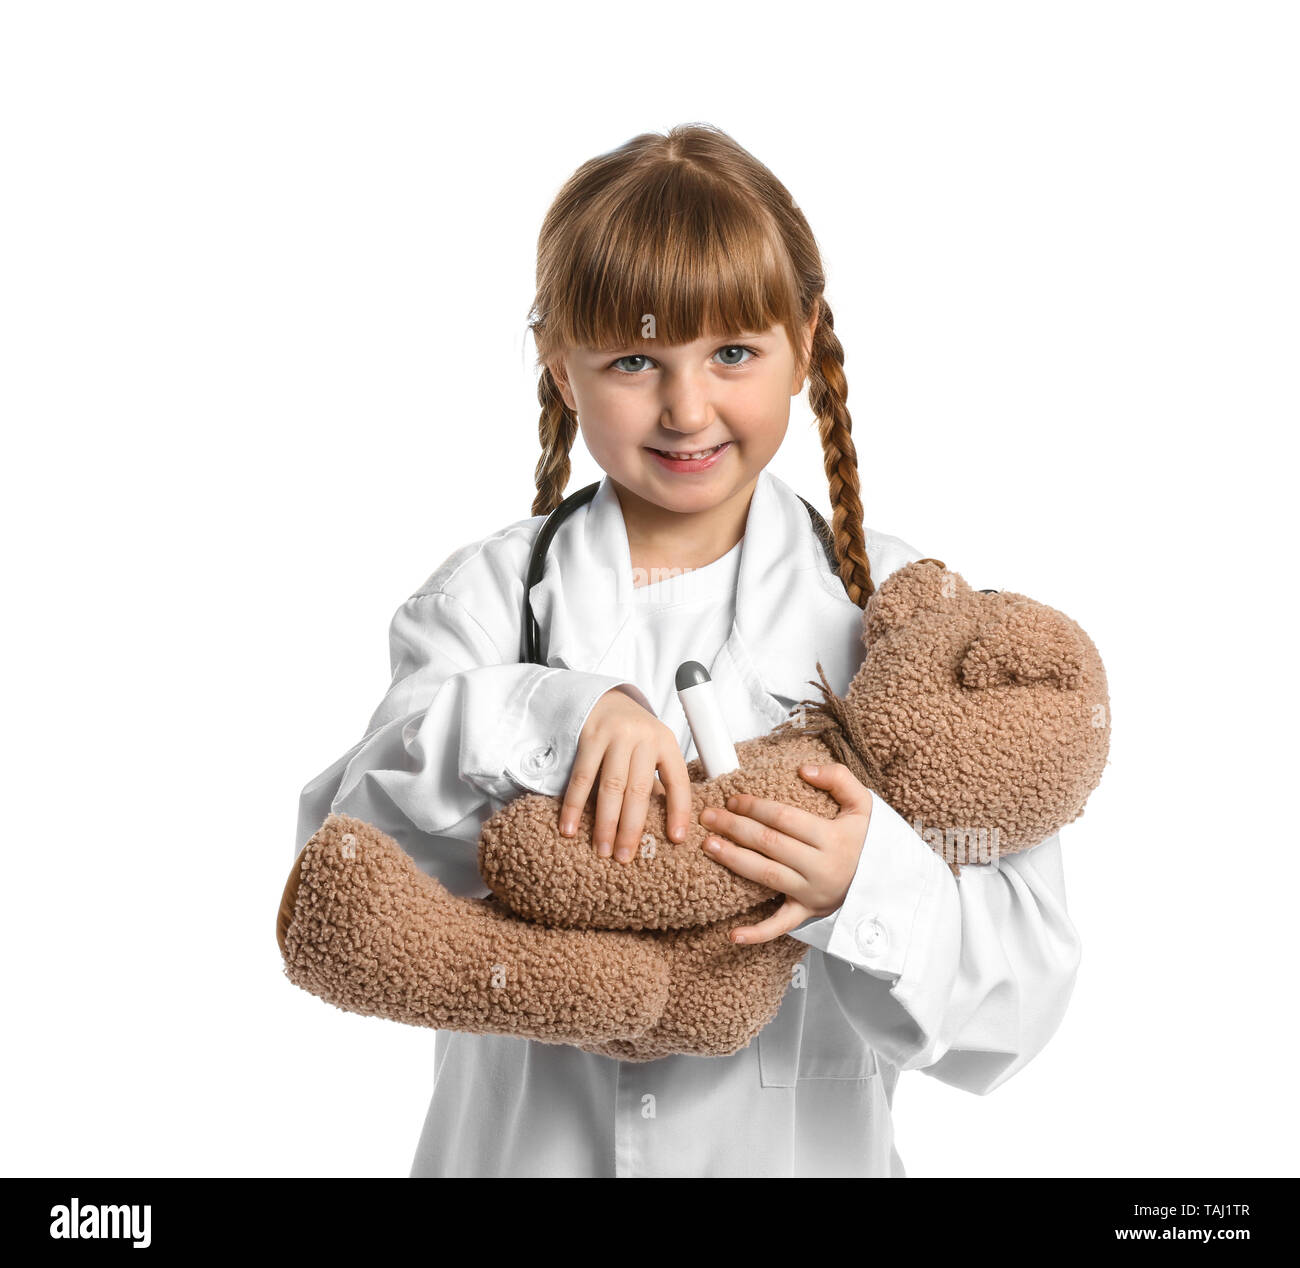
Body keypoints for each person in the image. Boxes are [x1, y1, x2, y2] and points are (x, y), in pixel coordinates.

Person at [294, 123, 1082, 1178]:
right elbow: (349, 860)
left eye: (732, 352)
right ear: (561, 366)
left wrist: (868, 883)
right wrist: (553, 716)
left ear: (804, 344)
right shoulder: (487, 600)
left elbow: (1021, 1005)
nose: (686, 407)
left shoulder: (905, 620)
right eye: (633, 358)